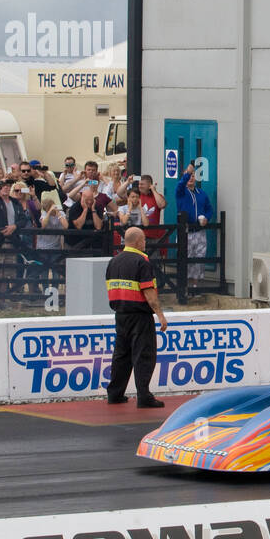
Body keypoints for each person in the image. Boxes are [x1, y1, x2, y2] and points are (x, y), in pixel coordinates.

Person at [105, 225, 169, 408]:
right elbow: (149, 293)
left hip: (121, 315)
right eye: (144, 240)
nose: (146, 243)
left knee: (121, 356)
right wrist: (161, 316)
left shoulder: (113, 262)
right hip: (140, 317)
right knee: (144, 355)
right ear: (138, 241)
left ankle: (115, 394)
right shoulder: (142, 262)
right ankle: (144, 396)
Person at [176, 163, 213, 284]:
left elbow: (209, 209)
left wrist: (207, 218)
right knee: (185, 258)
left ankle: (195, 286)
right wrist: (186, 174)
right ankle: (184, 287)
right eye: (188, 176)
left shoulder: (201, 193)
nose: (191, 178)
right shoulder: (181, 192)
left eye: (192, 175)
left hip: (199, 231)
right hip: (185, 231)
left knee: (199, 259)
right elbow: (180, 185)